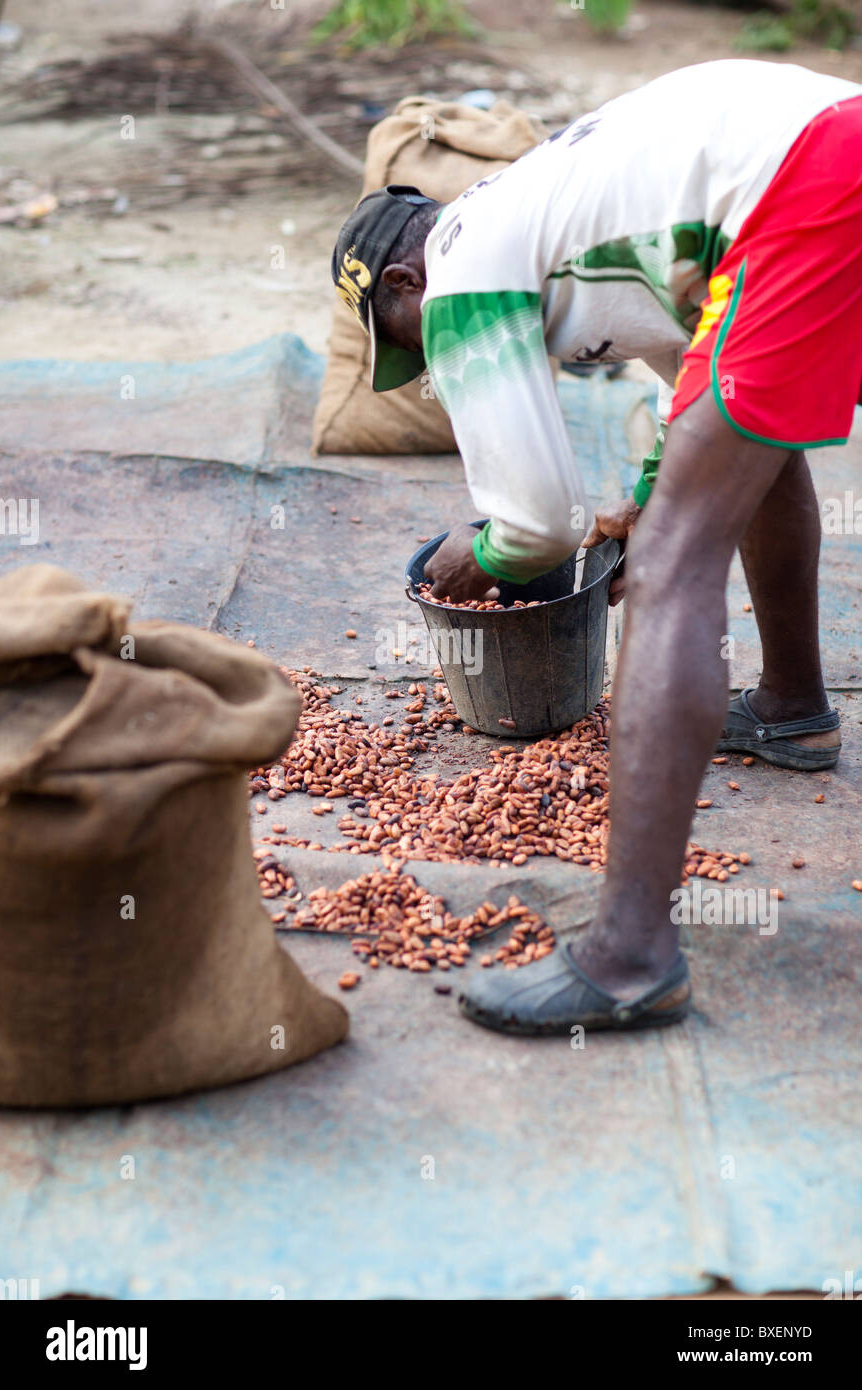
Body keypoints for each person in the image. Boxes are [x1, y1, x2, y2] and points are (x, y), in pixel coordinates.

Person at [331, 59, 860, 1034]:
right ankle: (790, 710)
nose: (427, 363)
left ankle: (626, 957)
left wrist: (481, 558)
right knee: (751, 455)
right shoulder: (550, 217)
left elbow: (537, 522)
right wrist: (650, 490)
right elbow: (699, 377)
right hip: (830, 148)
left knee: (671, 564)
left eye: (407, 336)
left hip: (810, 181)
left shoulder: (459, 264)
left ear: (405, 280)